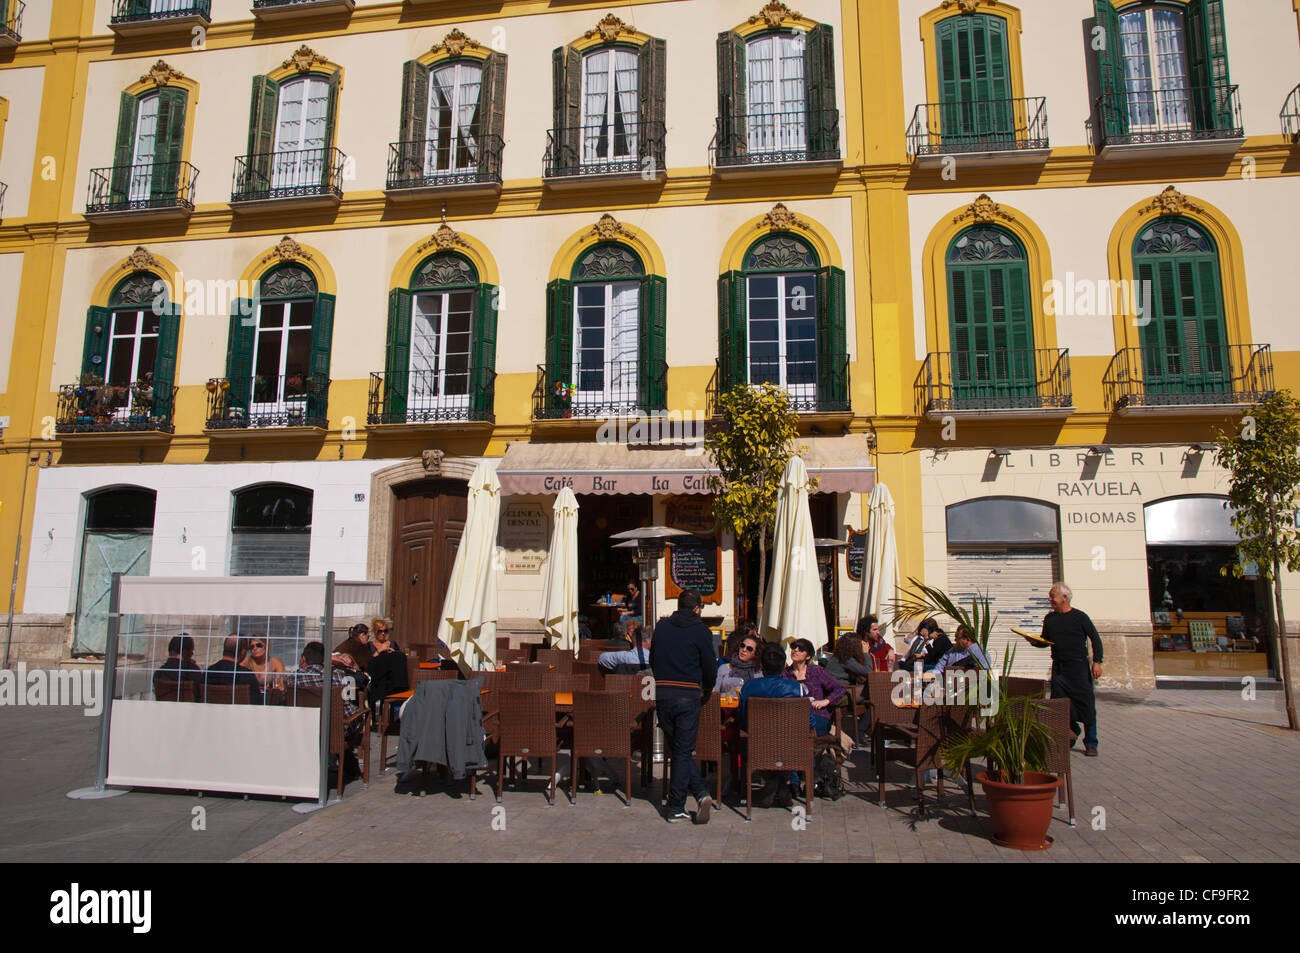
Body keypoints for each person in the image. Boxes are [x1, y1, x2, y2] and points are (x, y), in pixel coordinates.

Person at [649, 588, 717, 824]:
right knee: (682, 750)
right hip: (688, 695)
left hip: (664, 694)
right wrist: (707, 687)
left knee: (678, 748)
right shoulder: (701, 631)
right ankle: (679, 804)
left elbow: (653, 659)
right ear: (697, 608)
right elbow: (710, 667)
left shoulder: (662, 627)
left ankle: (699, 794)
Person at [1028, 582, 1104, 756]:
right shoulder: (1050, 619)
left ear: (1064, 597)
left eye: (1052, 596)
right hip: (1059, 668)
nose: (1050, 599)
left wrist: (1097, 661)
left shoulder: (1080, 617)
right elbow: (1046, 641)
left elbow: (1095, 638)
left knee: (1087, 705)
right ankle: (1070, 733)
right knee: (1058, 704)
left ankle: (1091, 742)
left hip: (1078, 668)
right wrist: (1034, 642)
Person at [737, 642, 810, 809]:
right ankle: (781, 783)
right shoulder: (797, 689)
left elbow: (742, 717)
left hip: (757, 746)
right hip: (790, 748)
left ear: (761, 665)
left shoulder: (748, 687)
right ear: (784, 665)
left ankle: (772, 783)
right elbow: (809, 720)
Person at [295, 641, 363, 780]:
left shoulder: (293, 677)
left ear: (304, 659)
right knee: (350, 718)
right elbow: (346, 705)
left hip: (305, 729)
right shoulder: (336, 674)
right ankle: (350, 767)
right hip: (334, 730)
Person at [783, 638, 846, 735]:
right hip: (792, 716)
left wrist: (826, 701)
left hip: (817, 715)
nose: (795, 650)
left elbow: (840, 688)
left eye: (801, 649)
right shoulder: (785, 673)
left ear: (808, 656)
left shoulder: (816, 671)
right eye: (794, 648)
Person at [367, 620, 408, 719]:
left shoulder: (392, 644)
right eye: (380, 631)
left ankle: (390, 718)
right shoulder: (370, 645)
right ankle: (377, 718)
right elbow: (368, 662)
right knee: (379, 688)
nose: (383, 634)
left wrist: (394, 653)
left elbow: (400, 661)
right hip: (377, 679)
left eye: (385, 631)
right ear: (375, 632)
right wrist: (379, 651)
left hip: (392, 680)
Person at [204, 635, 264, 704]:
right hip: (239, 714)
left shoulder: (208, 673)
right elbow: (257, 705)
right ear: (243, 652)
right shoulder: (246, 676)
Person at [244, 634, 286, 698]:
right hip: (251, 698)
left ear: (266, 646)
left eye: (258, 645)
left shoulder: (275, 662)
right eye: (252, 647)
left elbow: (281, 686)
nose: (255, 648)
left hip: (271, 698)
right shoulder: (246, 663)